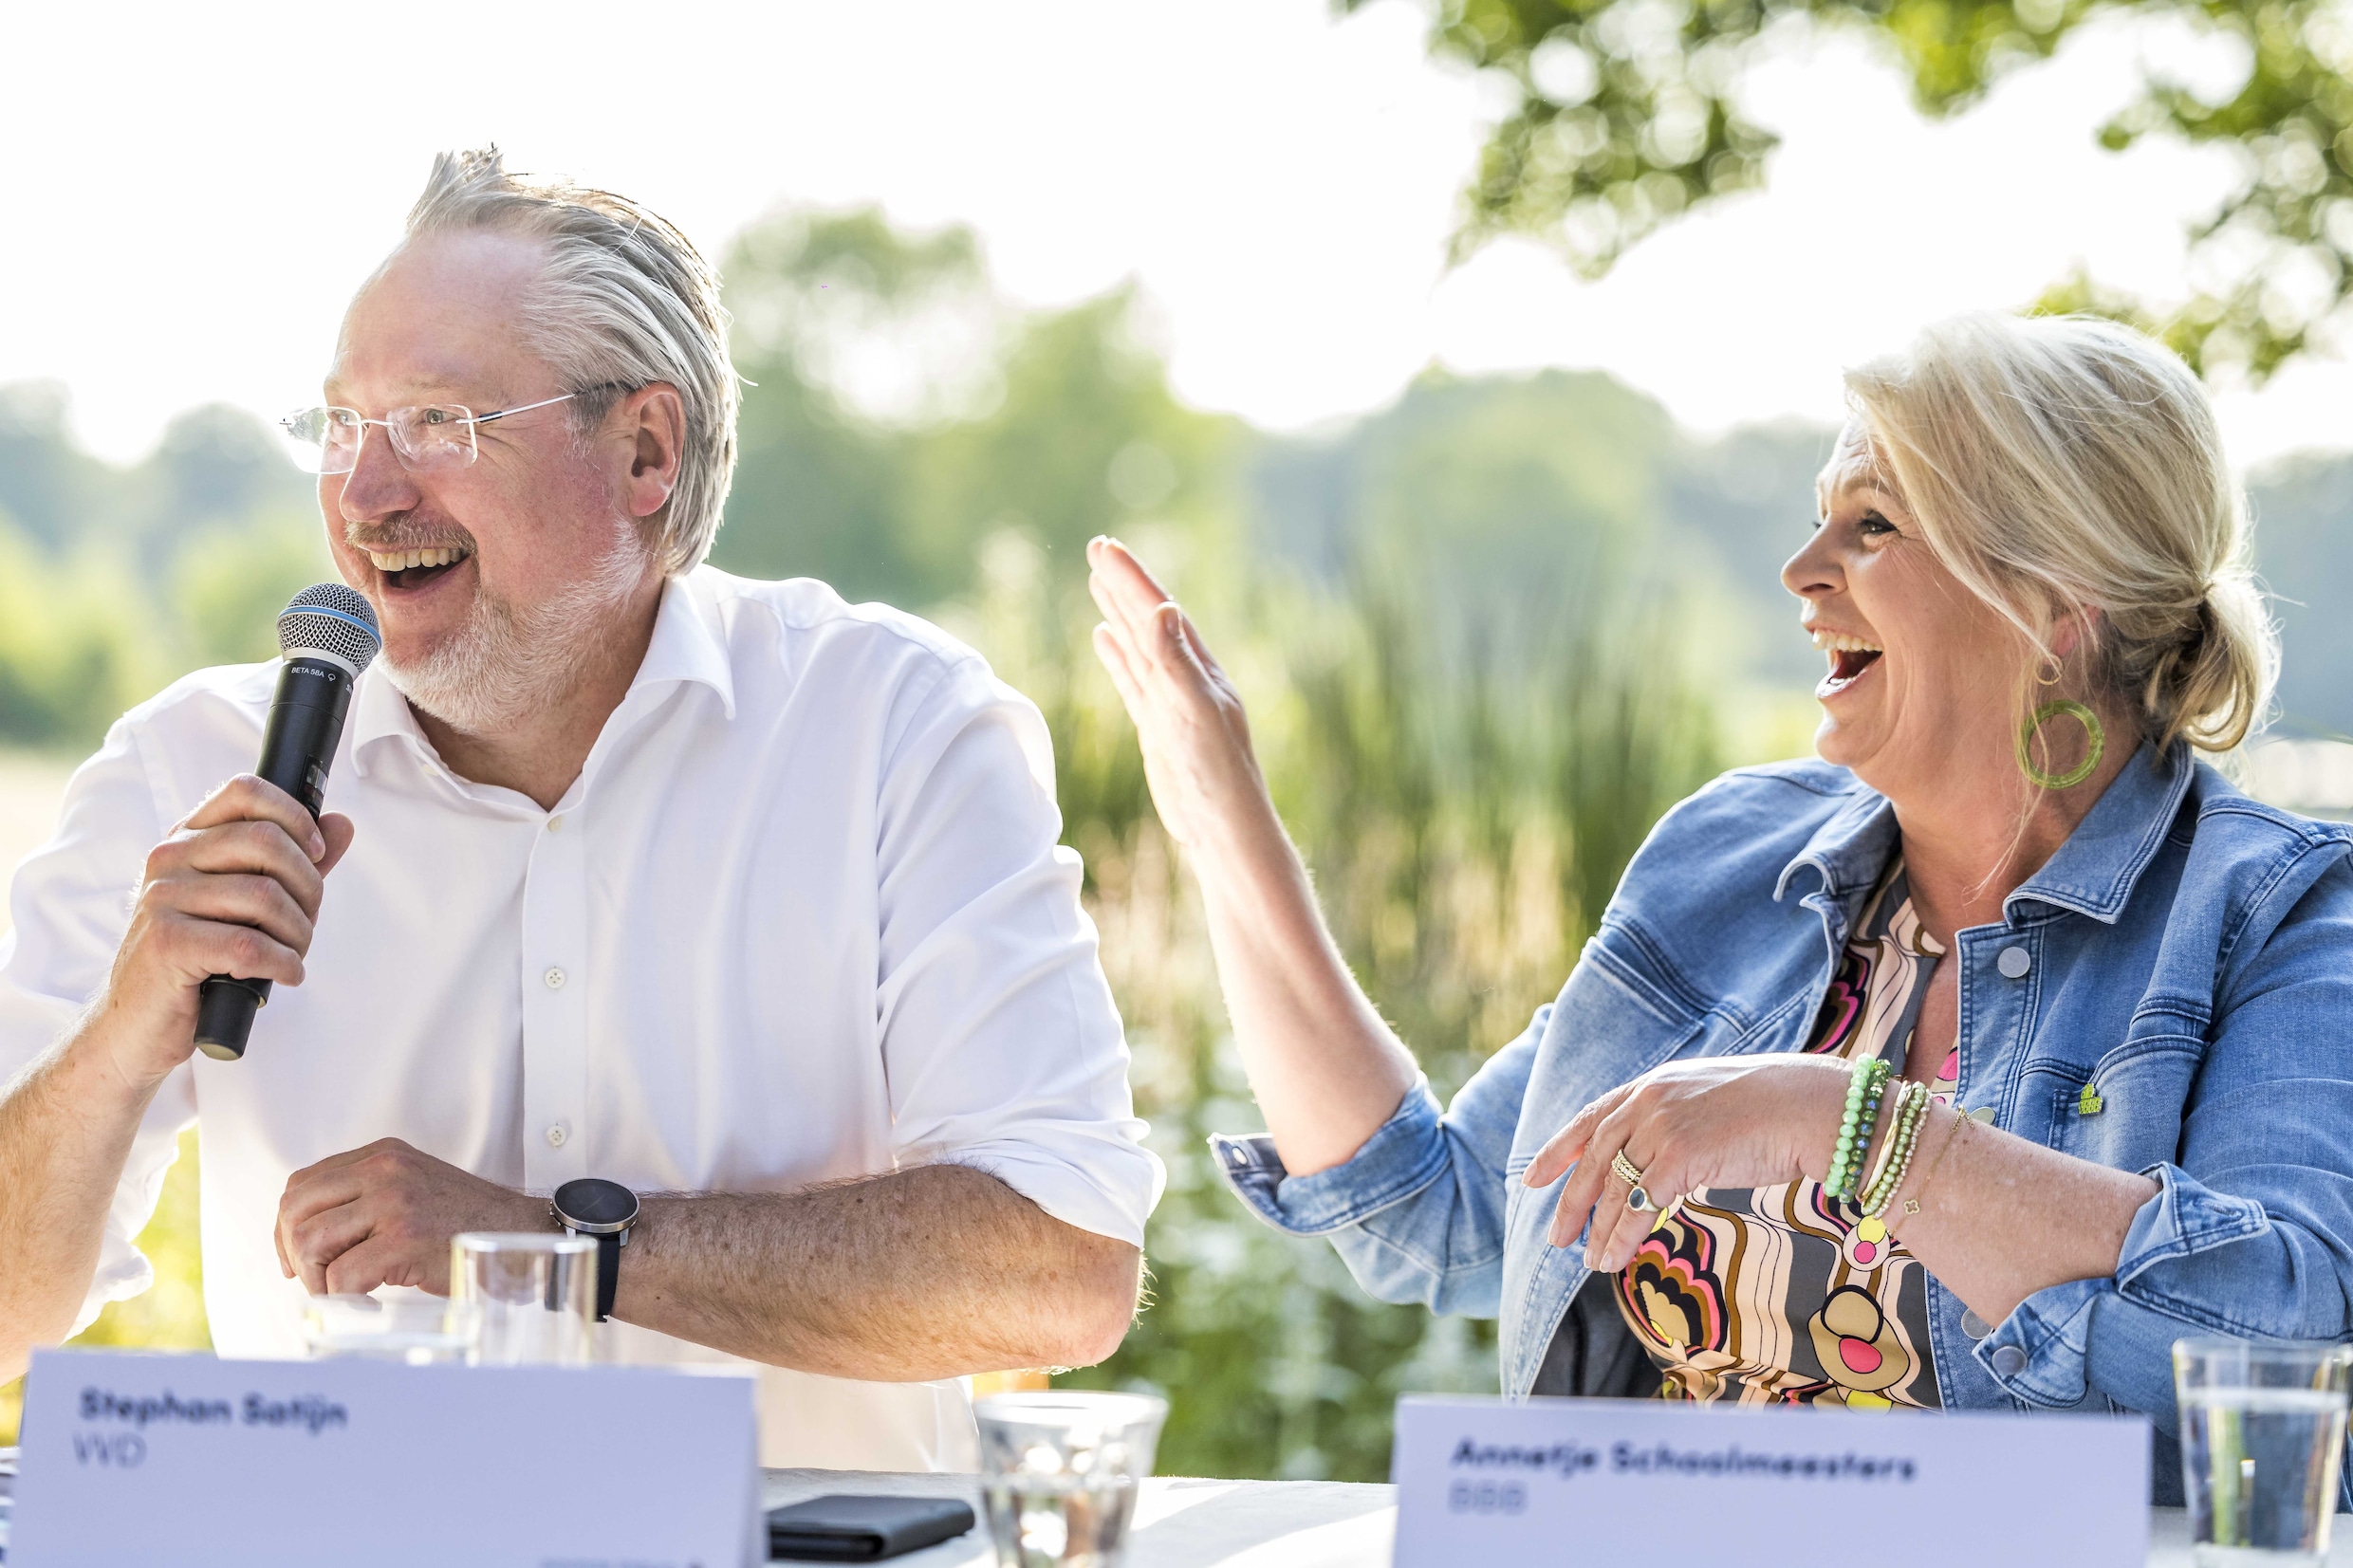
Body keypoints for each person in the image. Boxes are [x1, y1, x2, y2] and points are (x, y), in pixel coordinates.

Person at [0, 149, 1161, 1471]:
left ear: (645, 452)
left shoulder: (893, 730)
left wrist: (553, 1249)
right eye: (341, 426)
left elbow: (1057, 1268)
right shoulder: (187, 772)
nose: (365, 493)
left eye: (440, 422)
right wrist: (116, 1039)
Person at [1086, 312, 2353, 1499]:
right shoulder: (1725, 858)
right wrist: (1225, 828)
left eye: (1874, 526)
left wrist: (1850, 1127)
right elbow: (1442, 1210)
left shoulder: (2272, 908)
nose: (1803, 572)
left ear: (2056, 607)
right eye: (1820, 520)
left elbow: (2289, 1338)